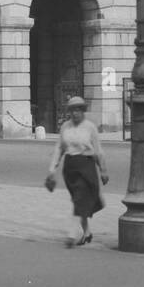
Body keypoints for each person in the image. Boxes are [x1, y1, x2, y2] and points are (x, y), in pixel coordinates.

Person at [46, 97, 109, 247]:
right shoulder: (65, 127)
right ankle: (87, 233)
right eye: (73, 110)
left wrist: (103, 170)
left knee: (79, 199)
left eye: (78, 110)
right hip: (70, 168)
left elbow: (98, 150)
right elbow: (59, 149)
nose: (75, 113)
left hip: (86, 165)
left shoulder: (90, 127)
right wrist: (52, 170)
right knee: (78, 200)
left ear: (83, 111)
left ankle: (72, 234)